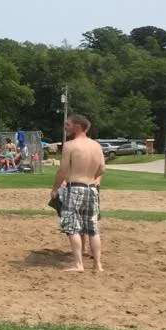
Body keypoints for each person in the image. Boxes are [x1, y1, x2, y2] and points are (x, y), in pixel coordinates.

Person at [51, 114, 105, 272]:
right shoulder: (96, 145)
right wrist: (92, 178)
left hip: (75, 188)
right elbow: (102, 168)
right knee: (93, 229)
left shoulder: (69, 145)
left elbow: (62, 171)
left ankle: (78, 264)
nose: (66, 127)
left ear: (77, 126)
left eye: (68, 124)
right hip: (92, 189)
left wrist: (55, 188)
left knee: (72, 227)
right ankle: (97, 265)